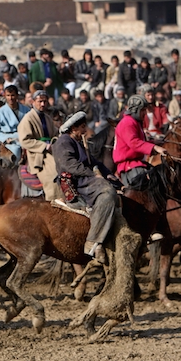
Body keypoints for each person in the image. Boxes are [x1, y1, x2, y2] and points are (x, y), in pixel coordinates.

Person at [53, 111, 119, 261]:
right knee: (107, 193)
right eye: (82, 127)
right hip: (77, 183)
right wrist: (93, 174)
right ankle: (94, 241)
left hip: (86, 180)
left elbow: (95, 163)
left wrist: (108, 174)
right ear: (73, 128)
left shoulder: (79, 143)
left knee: (116, 188)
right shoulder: (63, 141)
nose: (85, 131)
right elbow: (69, 164)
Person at [113, 95, 168, 189]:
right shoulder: (127, 122)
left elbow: (141, 142)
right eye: (143, 110)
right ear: (135, 110)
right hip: (130, 166)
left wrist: (155, 142)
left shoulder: (134, 122)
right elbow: (134, 142)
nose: (145, 114)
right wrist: (155, 148)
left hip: (137, 163)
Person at [18, 89, 59, 200]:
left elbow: (55, 134)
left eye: (45, 101)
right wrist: (43, 146)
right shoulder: (28, 119)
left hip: (51, 150)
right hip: (37, 155)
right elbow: (25, 140)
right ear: (33, 102)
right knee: (53, 176)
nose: (42, 104)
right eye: (40, 101)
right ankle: (53, 201)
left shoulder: (47, 118)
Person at [0, 85, 29, 159]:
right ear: (5, 96)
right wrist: (4, 138)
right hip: (9, 142)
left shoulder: (26, 110)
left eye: (12, 95)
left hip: (26, 139)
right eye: (8, 95)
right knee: (14, 153)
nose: (10, 98)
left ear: (17, 95)